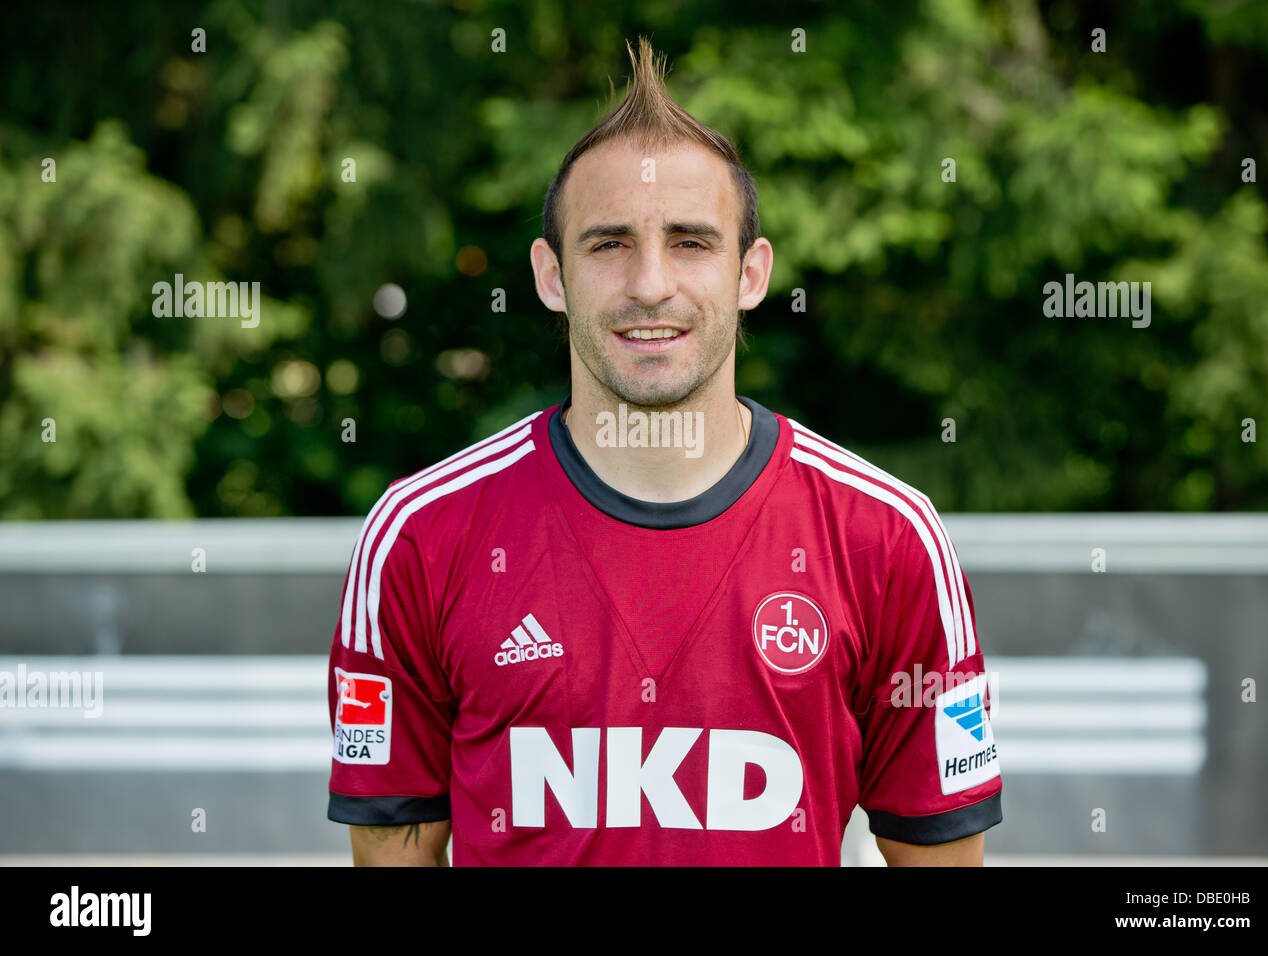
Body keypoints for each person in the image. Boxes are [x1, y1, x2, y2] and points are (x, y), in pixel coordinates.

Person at [326, 36, 1002, 866]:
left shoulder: (885, 537)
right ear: (550, 275)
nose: (650, 283)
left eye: (691, 242)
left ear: (751, 273)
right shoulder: (423, 535)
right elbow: (395, 852)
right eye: (608, 244)